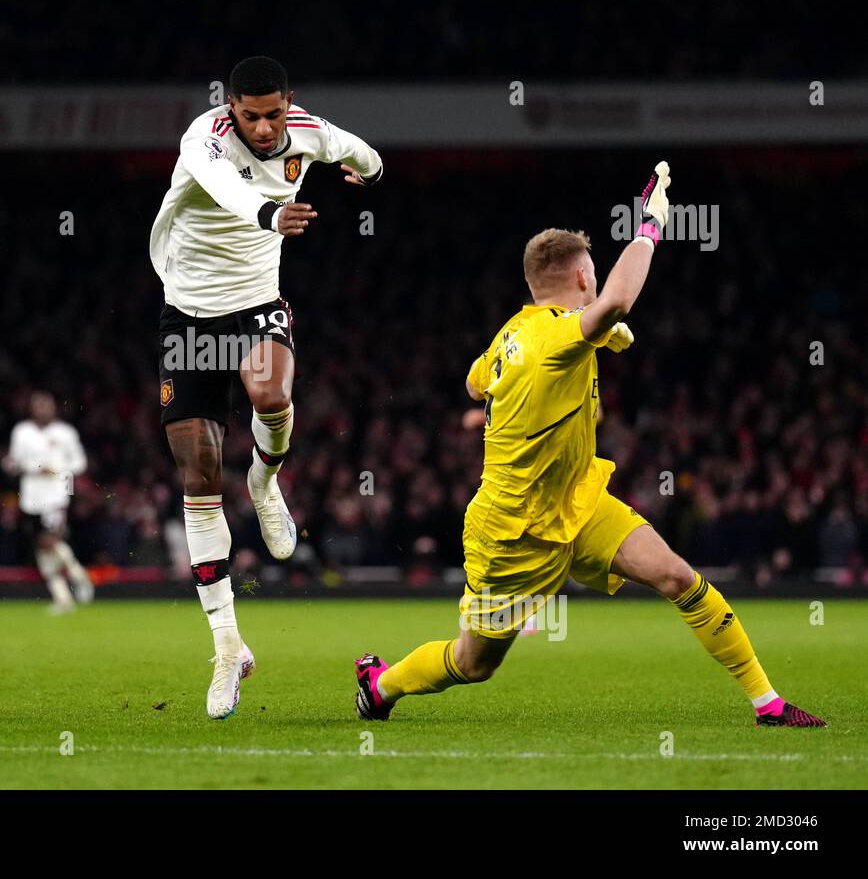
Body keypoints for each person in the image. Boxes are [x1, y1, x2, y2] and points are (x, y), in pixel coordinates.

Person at [355, 163, 825, 729]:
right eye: (593, 276)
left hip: (576, 500)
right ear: (581, 280)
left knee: (676, 576)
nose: (597, 285)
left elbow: (475, 381)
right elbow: (621, 300)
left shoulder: (513, 332)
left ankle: (767, 704)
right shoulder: (558, 334)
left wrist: (509, 398)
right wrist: (649, 226)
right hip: (514, 529)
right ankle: (379, 686)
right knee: (474, 664)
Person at [150, 55, 383, 718]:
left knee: (271, 397)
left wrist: (363, 171)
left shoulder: (308, 130)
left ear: (290, 103)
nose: (261, 126)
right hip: (189, 312)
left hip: (256, 304)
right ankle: (228, 646)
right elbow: (227, 190)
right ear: (230, 107)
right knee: (197, 476)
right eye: (248, 114)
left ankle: (264, 480)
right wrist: (268, 217)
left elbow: (364, 153)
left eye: (272, 113)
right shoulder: (204, 138)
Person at [4, 391, 93, 613]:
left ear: (54, 408)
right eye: (38, 405)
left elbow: (80, 463)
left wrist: (58, 469)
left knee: (50, 540)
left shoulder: (66, 433)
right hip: (30, 497)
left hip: (56, 494)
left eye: (46, 405)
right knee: (42, 548)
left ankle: (80, 579)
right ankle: (63, 597)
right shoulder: (22, 432)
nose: (42, 409)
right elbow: (13, 461)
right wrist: (28, 466)